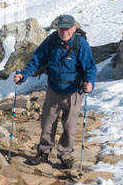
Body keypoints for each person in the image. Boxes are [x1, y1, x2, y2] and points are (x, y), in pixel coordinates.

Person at [14, 14, 96, 169]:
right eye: (60, 28)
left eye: (66, 29)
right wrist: (23, 75)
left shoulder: (81, 44)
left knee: (69, 126)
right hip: (53, 89)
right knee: (47, 122)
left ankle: (65, 155)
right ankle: (43, 152)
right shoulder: (51, 41)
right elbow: (37, 59)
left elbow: (90, 68)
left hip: (73, 92)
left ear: (74, 29)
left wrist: (90, 83)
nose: (63, 32)